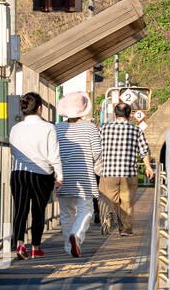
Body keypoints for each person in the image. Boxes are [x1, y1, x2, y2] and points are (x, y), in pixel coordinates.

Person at [7, 93, 63, 259]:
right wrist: (60, 176)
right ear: (40, 108)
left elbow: (13, 151)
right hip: (41, 175)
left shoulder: (15, 128)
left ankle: (19, 245)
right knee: (38, 211)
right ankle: (36, 247)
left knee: (20, 210)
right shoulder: (48, 128)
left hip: (18, 173)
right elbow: (54, 155)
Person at [54, 91, 101, 258]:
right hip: (84, 177)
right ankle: (77, 236)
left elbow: (53, 153)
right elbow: (96, 152)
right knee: (86, 211)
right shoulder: (90, 127)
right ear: (83, 110)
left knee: (67, 213)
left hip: (63, 177)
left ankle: (69, 247)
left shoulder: (57, 128)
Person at [99, 102, 152, 236]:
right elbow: (144, 151)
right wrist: (148, 167)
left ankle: (109, 213)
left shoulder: (103, 129)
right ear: (129, 115)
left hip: (108, 173)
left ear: (114, 115)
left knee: (107, 198)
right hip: (129, 173)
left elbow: (96, 149)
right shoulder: (136, 130)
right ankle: (125, 230)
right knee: (126, 203)